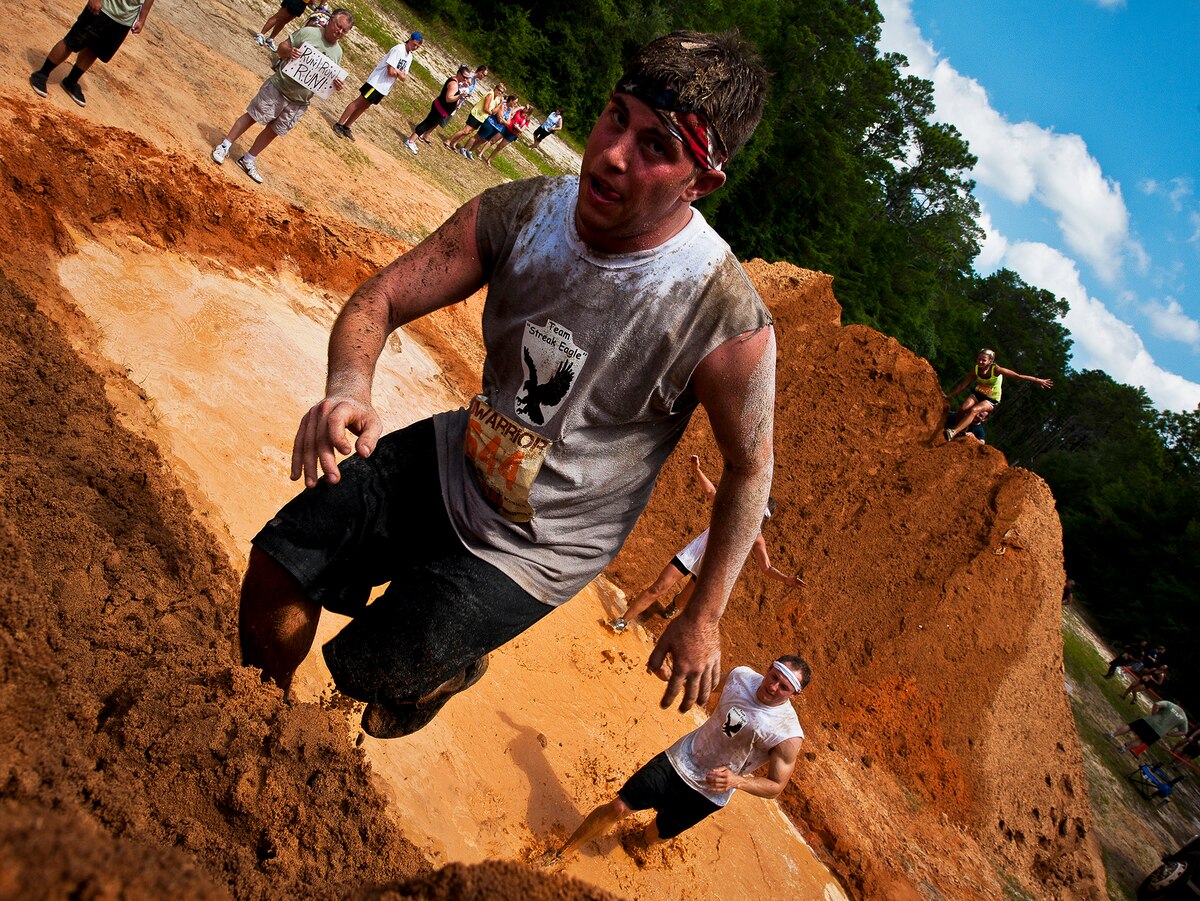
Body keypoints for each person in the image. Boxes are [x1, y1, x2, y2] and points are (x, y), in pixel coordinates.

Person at [238, 30, 773, 740]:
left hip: (539, 545)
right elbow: (382, 299)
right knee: (282, 561)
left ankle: (444, 668)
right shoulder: (525, 214)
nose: (613, 153)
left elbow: (749, 465)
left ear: (699, 182)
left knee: (373, 681)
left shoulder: (721, 317)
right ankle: (251, 719)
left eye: (656, 146)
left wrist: (702, 615)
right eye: (617, 116)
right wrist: (349, 388)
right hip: (457, 458)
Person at [541, 656, 808, 866]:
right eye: (773, 677)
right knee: (620, 807)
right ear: (769, 668)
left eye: (783, 687)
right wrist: (673, 678)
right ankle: (560, 854)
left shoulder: (786, 735)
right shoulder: (742, 676)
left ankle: (641, 840)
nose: (773, 687)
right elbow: (707, 685)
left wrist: (737, 781)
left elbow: (776, 787)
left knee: (652, 837)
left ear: (794, 695)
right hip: (680, 758)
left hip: (708, 793)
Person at [608, 455, 803, 633]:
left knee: (682, 602)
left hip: (710, 567)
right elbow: (711, 491)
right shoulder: (731, 510)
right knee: (658, 587)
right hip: (694, 553)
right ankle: (623, 620)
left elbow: (766, 567)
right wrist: (697, 469)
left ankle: (674, 605)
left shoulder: (757, 538)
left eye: (763, 516)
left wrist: (786, 579)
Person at [211, 11, 353, 184]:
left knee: (274, 131)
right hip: (279, 87)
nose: (340, 32)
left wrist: (336, 85)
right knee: (253, 116)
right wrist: (290, 52)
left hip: (299, 102)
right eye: (339, 26)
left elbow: (327, 78)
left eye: (344, 31)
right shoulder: (309, 32)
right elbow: (281, 49)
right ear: (331, 21)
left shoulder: (338, 52)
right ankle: (225, 145)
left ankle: (248, 160)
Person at [29, 0, 155, 107]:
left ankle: (71, 81)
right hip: (104, 8)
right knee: (72, 42)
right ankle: (42, 74)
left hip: (125, 19)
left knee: (95, 50)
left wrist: (142, 18)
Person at [943, 348, 1053, 442]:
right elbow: (963, 385)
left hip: (992, 398)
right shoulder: (975, 370)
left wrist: (1038, 380)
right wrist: (949, 395)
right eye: (979, 359)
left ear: (990, 361)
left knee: (974, 410)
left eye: (983, 360)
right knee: (963, 408)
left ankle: (953, 432)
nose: (980, 362)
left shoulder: (996, 370)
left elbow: (1018, 376)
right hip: (978, 393)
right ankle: (957, 430)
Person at [333, 33, 422, 141]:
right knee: (359, 102)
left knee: (365, 106)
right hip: (376, 82)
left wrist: (397, 72)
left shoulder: (409, 57)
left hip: (384, 87)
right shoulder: (399, 50)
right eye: (414, 44)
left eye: (418, 47)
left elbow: (404, 78)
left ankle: (347, 126)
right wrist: (399, 73)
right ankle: (339, 124)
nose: (415, 48)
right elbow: (390, 71)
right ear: (410, 39)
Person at [404, 66, 471, 154]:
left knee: (427, 124)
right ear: (459, 73)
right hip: (440, 109)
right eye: (464, 76)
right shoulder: (454, 84)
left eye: (467, 77)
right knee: (426, 124)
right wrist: (460, 96)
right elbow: (448, 98)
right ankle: (410, 141)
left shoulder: (455, 80)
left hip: (440, 108)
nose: (465, 79)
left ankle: (412, 140)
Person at [1107, 699, 1189, 756]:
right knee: (1141, 740)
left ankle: (1112, 735)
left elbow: (1157, 704)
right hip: (1159, 731)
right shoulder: (1184, 719)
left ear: (1179, 702)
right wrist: (1170, 734)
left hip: (1150, 721)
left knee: (1130, 727)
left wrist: (1154, 713)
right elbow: (1184, 732)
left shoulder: (1171, 704)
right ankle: (1124, 749)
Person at [446, 81, 506, 157]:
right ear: (495, 88)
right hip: (476, 114)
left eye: (502, 92)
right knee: (465, 130)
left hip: (482, 118)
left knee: (468, 132)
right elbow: (486, 109)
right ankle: (449, 140)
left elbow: (494, 112)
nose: (500, 92)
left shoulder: (497, 99)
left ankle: (454, 143)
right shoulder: (490, 95)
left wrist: (500, 103)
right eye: (499, 90)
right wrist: (491, 112)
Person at [465, 94, 516, 159]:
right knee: (477, 137)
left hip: (497, 128)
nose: (515, 104)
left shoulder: (509, 110)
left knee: (483, 140)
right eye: (515, 102)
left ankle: (470, 151)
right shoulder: (502, 105)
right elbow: (499, 119)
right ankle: (464, 148)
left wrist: (504, 121)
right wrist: (504, 122)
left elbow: (508, 123)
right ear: (511, 101)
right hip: (490, 124)